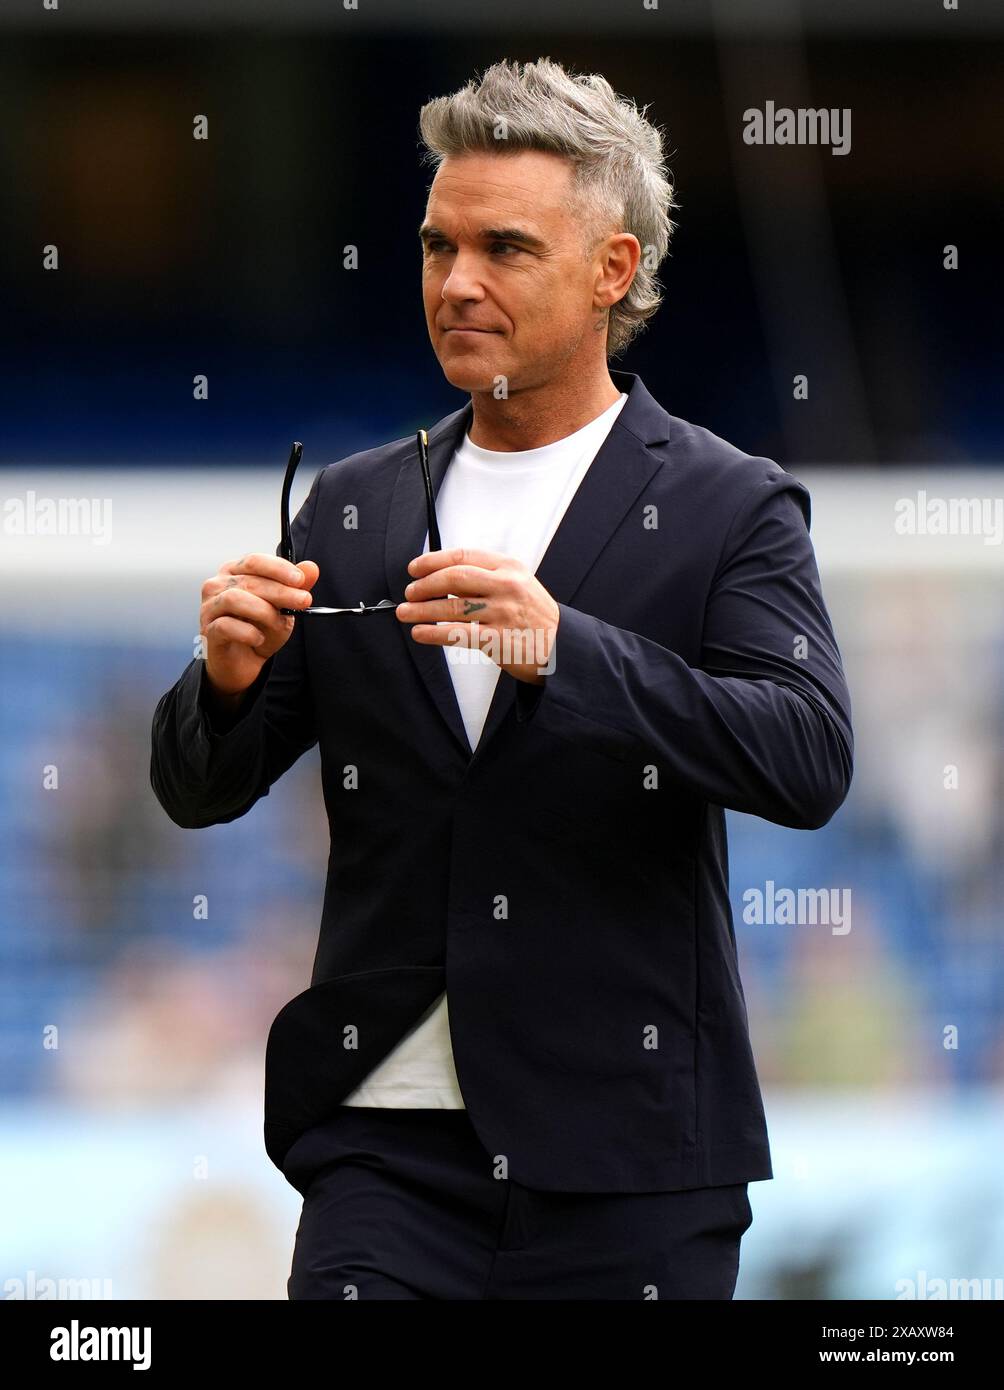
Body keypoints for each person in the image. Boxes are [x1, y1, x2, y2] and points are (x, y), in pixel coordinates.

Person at [150, 57, 853, 1300]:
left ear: (611, 272)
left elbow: (804, 756)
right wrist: (219, 684)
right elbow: (201, 788)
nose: (456, 282)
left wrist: (566, 648)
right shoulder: (356, 504)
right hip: (385, 1154)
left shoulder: (727, 503)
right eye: (436, 246)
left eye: (504, 248)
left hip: (631, 1161)